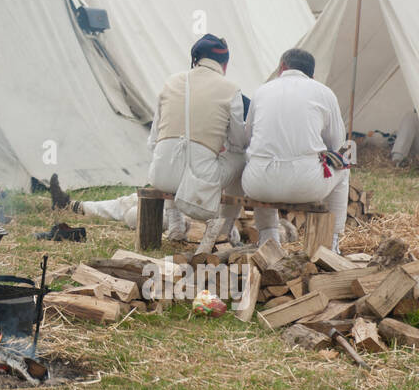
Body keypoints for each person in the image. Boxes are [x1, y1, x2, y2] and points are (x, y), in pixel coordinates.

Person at [243, 48, 350, 252]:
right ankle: (332, 242)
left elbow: (248, 138)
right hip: (306, 185)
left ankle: (268, 238)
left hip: (259, 185)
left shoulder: (262, 90)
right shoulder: (323, 92)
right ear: (312, 75)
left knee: (255, 161)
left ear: (282, 67)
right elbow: (336, 144)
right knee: (344, 168)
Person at [146, 34, 247, 242]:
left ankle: (175, 224)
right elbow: (238, 144)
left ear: (195, 60)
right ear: (224, 64)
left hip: (160, 176)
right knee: (243, 157)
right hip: (200, 179)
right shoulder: (231, 90)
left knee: (167, 157)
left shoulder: (171, 82)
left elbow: (153, 141)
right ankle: (224, 228)